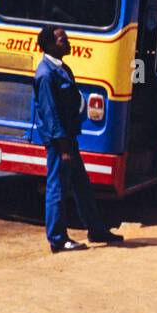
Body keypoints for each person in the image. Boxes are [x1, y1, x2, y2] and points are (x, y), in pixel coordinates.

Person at [33, 25, 123, 252]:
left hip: (69, 139)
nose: (68, 42)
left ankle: (96, 230)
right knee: (57, 188)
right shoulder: (45, 74)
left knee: (82, 185)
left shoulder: (62, 68)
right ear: (51, 45)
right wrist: (63, 147)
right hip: (58, 141)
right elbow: (50, 114)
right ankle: (58, 239)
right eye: (63, 40)